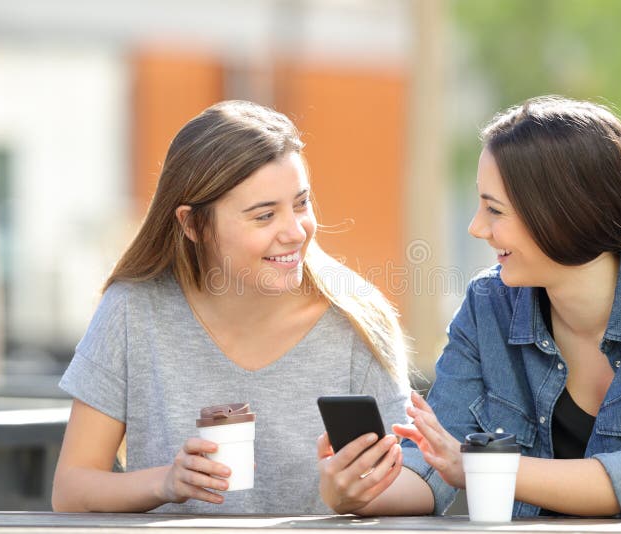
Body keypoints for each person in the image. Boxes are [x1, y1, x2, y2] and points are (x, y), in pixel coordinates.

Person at [317, 96, 621, 518]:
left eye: (495, 210)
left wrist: (482, 467)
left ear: (565, 212)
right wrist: (360, 491)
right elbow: (436, 466)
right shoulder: (489, 304)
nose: (476, 228)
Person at [51, 100, 410, 514]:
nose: (294, 232)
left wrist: (354, 493)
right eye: (264, 216)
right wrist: (165, 482)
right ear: (192, 225)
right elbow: (71, 489)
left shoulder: (357, 319)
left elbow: (410, 477)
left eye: (300, 203)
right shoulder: (132, 312)